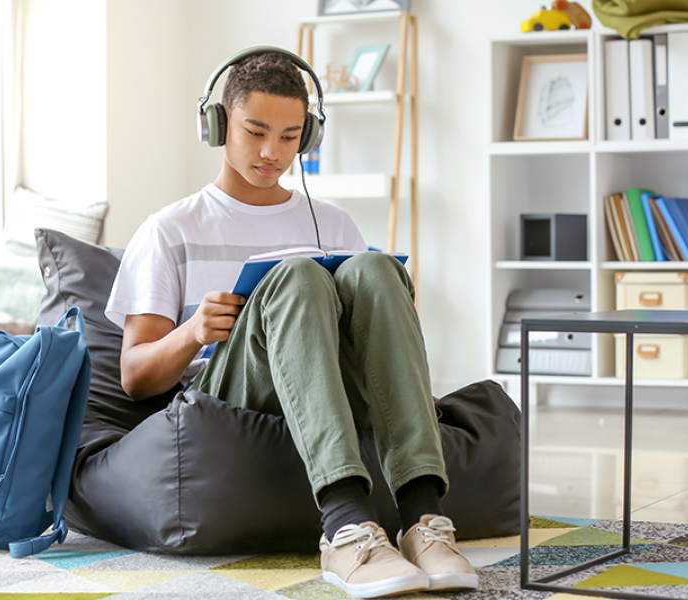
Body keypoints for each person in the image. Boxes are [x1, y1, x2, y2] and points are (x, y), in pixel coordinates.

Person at [105, 47, 479, 599]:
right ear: (216, 124)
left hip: (332, 393)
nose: (271, 152)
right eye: (255, 131)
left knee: (375, 267)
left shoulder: (334, 223)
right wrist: (191, 333)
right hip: (232, 401)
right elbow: (134, 377)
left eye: (289, 136)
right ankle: (346, 524)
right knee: (298, 275)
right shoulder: (170, 230)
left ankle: (423, 517)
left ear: (308, 137)